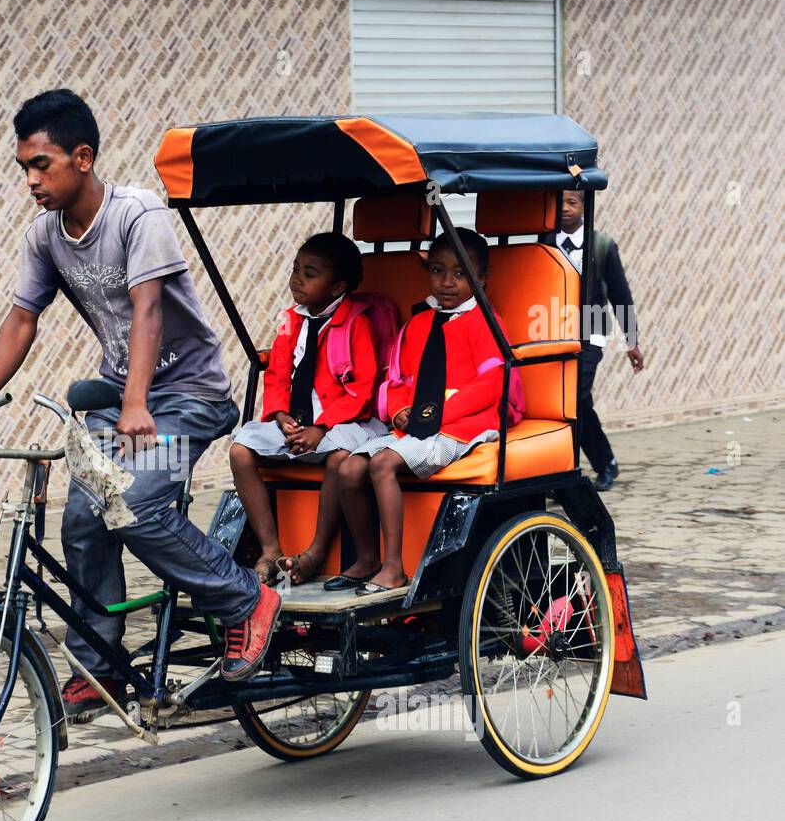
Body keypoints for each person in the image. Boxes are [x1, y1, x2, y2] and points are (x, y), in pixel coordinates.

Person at [0, 89, 281, 713]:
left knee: (138, 506)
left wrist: (134, 403)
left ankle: (244, 597)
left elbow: (149, 308)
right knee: (82, 518)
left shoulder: (137, 215)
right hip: (125, 401)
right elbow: (22, 319)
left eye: (41, 165)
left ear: (83, 157)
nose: (31, 180)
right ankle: (99, 668)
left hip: (190, 396)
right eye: (23, 167)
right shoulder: (45, 235)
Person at [331, 228, 514, 594]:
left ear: (481, 280)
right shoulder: (419, 323)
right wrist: (400, 409)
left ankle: (394, 567)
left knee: (382, 464)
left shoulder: (484, 322)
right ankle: (367, 557)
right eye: (437, 271)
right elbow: (398, 378)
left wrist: (436, 413)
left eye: (460, 274)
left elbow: (492, 384)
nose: (447, 283)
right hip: (417, 424)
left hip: (462, 424)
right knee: (348, 467)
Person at [228, 233, 387, 587]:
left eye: (310, 274)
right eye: (295, 270)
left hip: (344, 419)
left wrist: (322, 426)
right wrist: (279, 414)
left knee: (339, 457)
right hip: (297, 420)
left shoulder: (356, 323)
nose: (297, 280)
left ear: (337, 287)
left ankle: (315, 551)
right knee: (240, 451)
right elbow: (278, 375)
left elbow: (361, 389)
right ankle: (270, 549)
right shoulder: (291, 320)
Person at [549, 189, 642, 491]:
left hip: (590, 334)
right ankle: (606, 463)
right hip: (550, 332)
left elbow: (620, 296)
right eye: (559, 202)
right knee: (576, 402)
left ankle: (567, 472)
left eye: (572, 202)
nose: (565, 208)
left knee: (572, 400)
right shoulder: (543, 244)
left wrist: (631, 341)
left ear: (584, 206)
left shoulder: (602, 246)